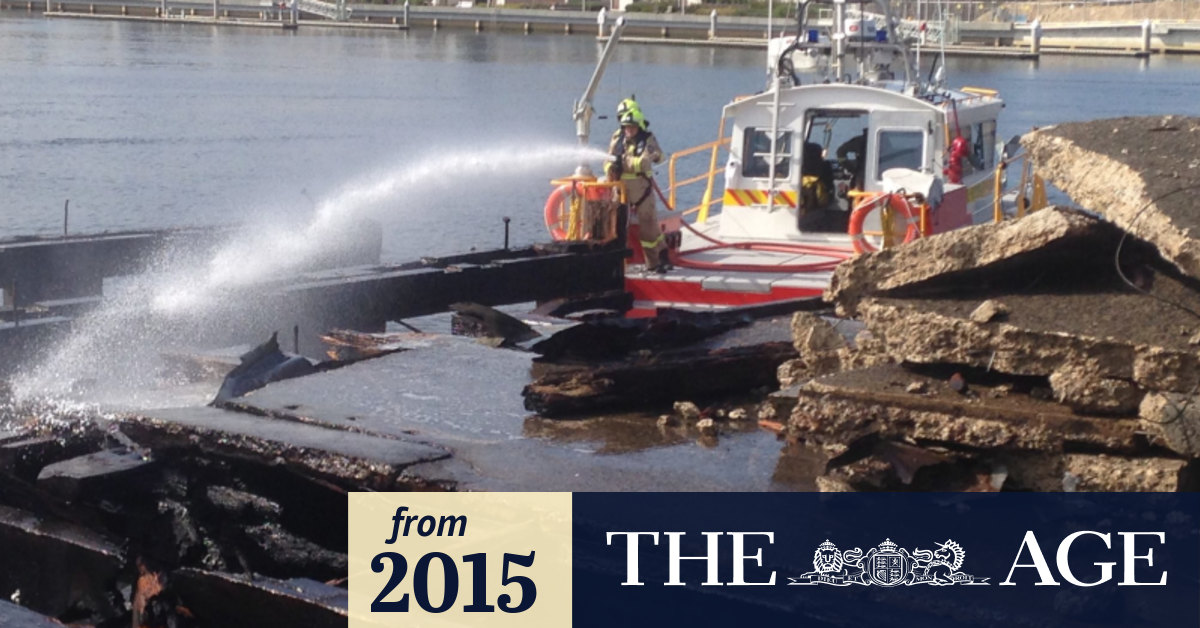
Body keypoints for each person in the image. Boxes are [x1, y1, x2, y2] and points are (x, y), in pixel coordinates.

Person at [607, 98, 668, 273]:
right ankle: (616, 264)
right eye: (625, 126)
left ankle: (654, 263)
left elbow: (647, 161)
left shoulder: (647, 140)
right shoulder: (618, 138)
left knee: (648, 227)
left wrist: (626, 161)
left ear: (639, 126)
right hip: (620, 189)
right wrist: (611, 166)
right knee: (615, 226)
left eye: (631, 127)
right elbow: (608, 158)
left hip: (642, 189)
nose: (628, 130)